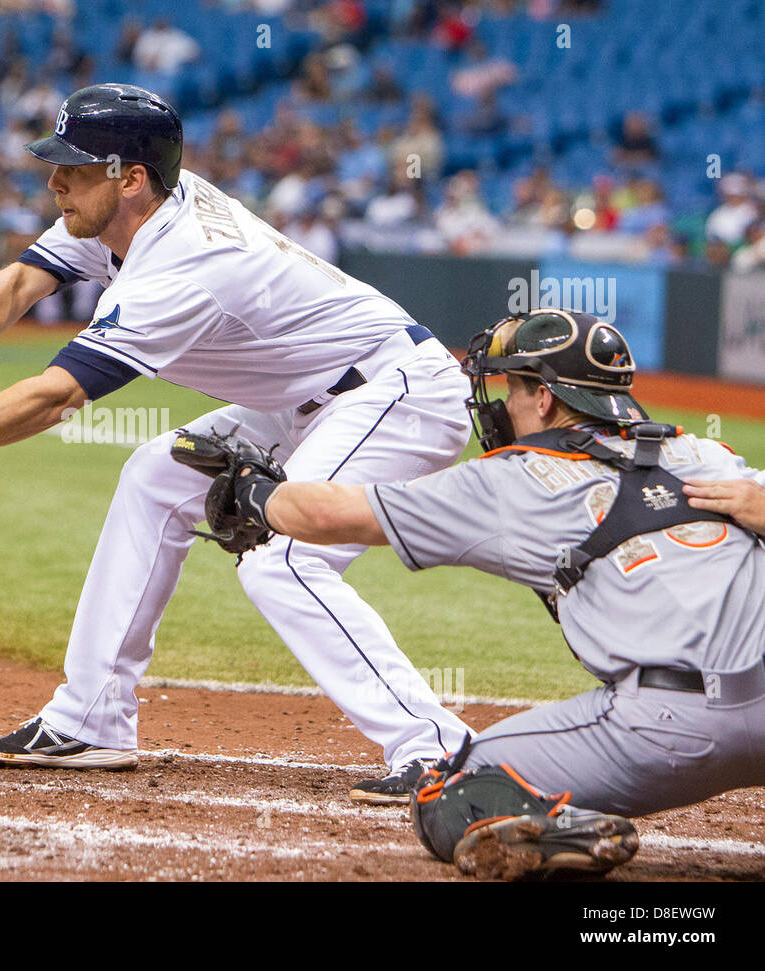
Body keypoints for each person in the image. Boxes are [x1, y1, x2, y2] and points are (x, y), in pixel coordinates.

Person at [0, 83, 474, 801]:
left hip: (394, 394)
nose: (55, 180)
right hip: (301, 402)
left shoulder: (185, 264)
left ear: (132, 179)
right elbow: (24, 279)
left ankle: (437, 745)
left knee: (283, 558)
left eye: (76, 166)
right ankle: (92, 717)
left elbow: (58, 395)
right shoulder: (125, 214)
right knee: (154, 475)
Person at [195, 309, 765, 879]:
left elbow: (328, 513)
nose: (503, 405)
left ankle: (566, 836)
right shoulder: (711, 458)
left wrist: (255, 493)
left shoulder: (513, 478)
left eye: (513, 387)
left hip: (667, 730)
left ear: (543, 399)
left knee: (451, 790)